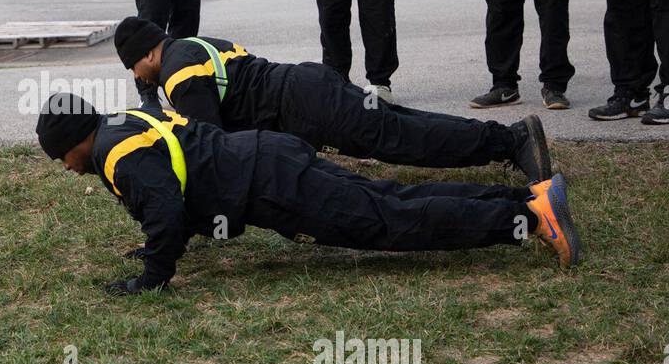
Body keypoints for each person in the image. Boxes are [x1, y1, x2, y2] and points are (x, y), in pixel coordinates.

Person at [36, 93, 580, 294]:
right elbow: (173, 191)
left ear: (72, 141)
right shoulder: (123, 121)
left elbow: (164, 210)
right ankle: (526, 202)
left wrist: (152, 277)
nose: (66, 167)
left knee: (388, 222)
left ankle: (532, 219)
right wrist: (157, 244)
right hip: (269, 154)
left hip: (274, 186)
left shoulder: (116, 154)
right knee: (390, 199)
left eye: (60, 156)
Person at [113, 16, 552, 180]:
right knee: (399, 124)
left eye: (132, 65)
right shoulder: (191, 45)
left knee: (401, 138)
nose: (135, 75)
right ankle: (506, 139)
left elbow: (212, 144)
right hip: (308, 84)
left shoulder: (179, 74)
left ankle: (511, 140)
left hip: (306, 105)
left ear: (148, 54)